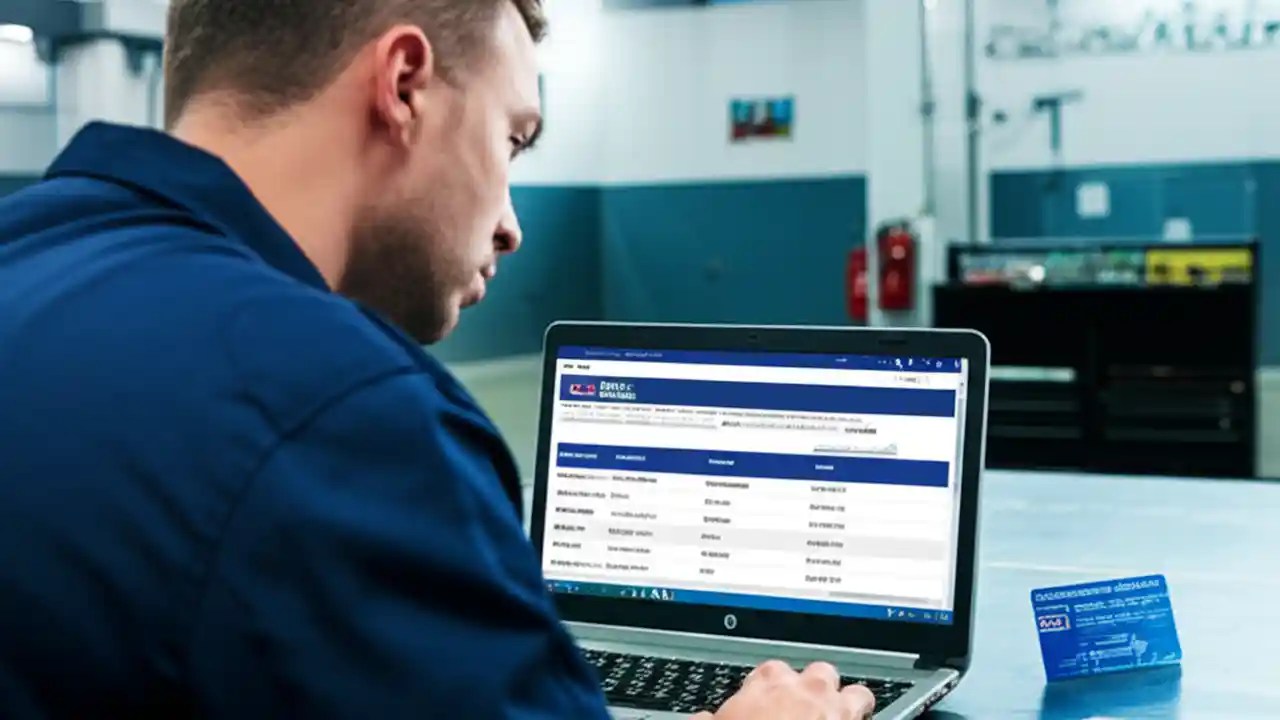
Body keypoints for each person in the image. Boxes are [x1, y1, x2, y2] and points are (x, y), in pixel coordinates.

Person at [0, 1, 877, 718]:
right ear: (405, 84)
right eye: (513, 141)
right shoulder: (346, 416)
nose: (511, 223)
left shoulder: (23, 258)